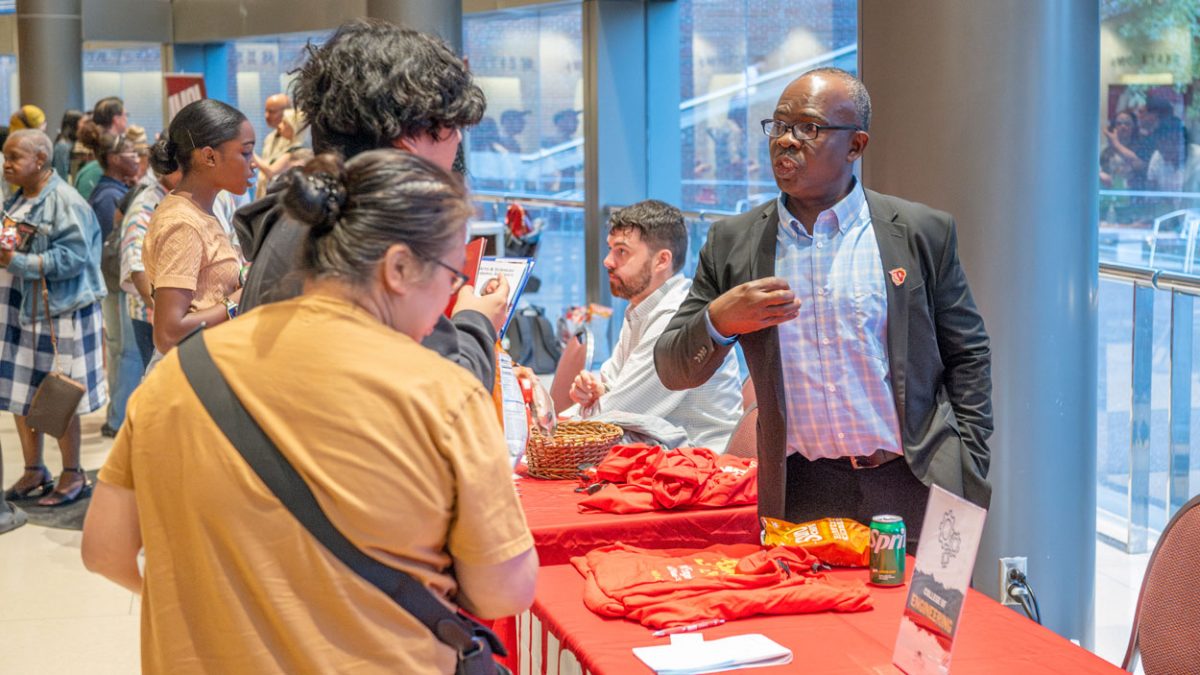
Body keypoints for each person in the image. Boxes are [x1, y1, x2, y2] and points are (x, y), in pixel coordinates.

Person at [82, 149, 537, 674]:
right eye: (452, 275)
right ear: (398, 268)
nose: (450, 296)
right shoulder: (442, 394)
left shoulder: (178, 375)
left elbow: (105, 549)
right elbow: (505, 590)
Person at [654, 68, 992, 544]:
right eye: (779, 125)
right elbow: (672, 368)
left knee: (928, 598)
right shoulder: (735, 243)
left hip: (917, 481)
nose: (786, 140)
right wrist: (720, 320)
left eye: (808, 127)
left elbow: (968, 355)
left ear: (855, 145)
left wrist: (969, 458)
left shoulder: (920, 232)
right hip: (802, 492)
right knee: (804, 598)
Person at [235, 19, 508, 390]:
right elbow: (445, 394)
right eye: (452, 127)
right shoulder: (374, 237)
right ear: (410, 137)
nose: (458, 141)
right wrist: (477, 321)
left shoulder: (299, 212)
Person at [566, 199, 743, 450]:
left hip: (699, 461)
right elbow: (612, 387)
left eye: (621, 251)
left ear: (662, 260)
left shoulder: (675, 316)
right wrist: (596, 390)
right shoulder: (643, 306)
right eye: (610, 249)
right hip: (664, 452)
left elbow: (612, 415)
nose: (607, 261)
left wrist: (573, 416)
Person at [0, 129, 107, 507]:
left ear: (41, 160)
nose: (6, 164)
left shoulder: (65, 201)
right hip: (21, 311)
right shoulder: (17, 196)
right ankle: (34, 470)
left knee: (58, 395)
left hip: (59, 313)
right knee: (22, 395)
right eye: (5, 157)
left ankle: (73, 473)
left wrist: (19, 262)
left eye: (14, 157)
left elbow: (75, 258)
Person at [143, 99, 254, 357]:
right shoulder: (183, 223)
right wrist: (240, 299)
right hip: (190, 370)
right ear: (209, 156)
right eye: (246, 152)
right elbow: (168, 334)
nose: (254, 163)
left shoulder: (199, 210)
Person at [86, 131, 140, 437]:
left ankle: (117, 415)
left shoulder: (116, 189)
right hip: (116, 284)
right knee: (123, 350)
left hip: (114, 283)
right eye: (131, 153)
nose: (137, 158)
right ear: (114, 159)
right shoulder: (108, 196)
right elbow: (112, 245)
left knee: (120, 349)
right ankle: (119, 417)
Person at [119, 164, 180, 371]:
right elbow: (137, 268)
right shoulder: (146, 205)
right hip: (153, 316)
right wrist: (169, 316)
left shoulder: (191, 196)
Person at [75, 97, 129, 199]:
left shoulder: (94, 167)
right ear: (116, 119)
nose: (127, 119)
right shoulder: (95, 171)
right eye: (125, 115)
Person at [51, 109, 84, 180]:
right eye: (81, 124)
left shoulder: (70, 143)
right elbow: (61, 175)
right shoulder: (62, 146)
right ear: (74, 125)